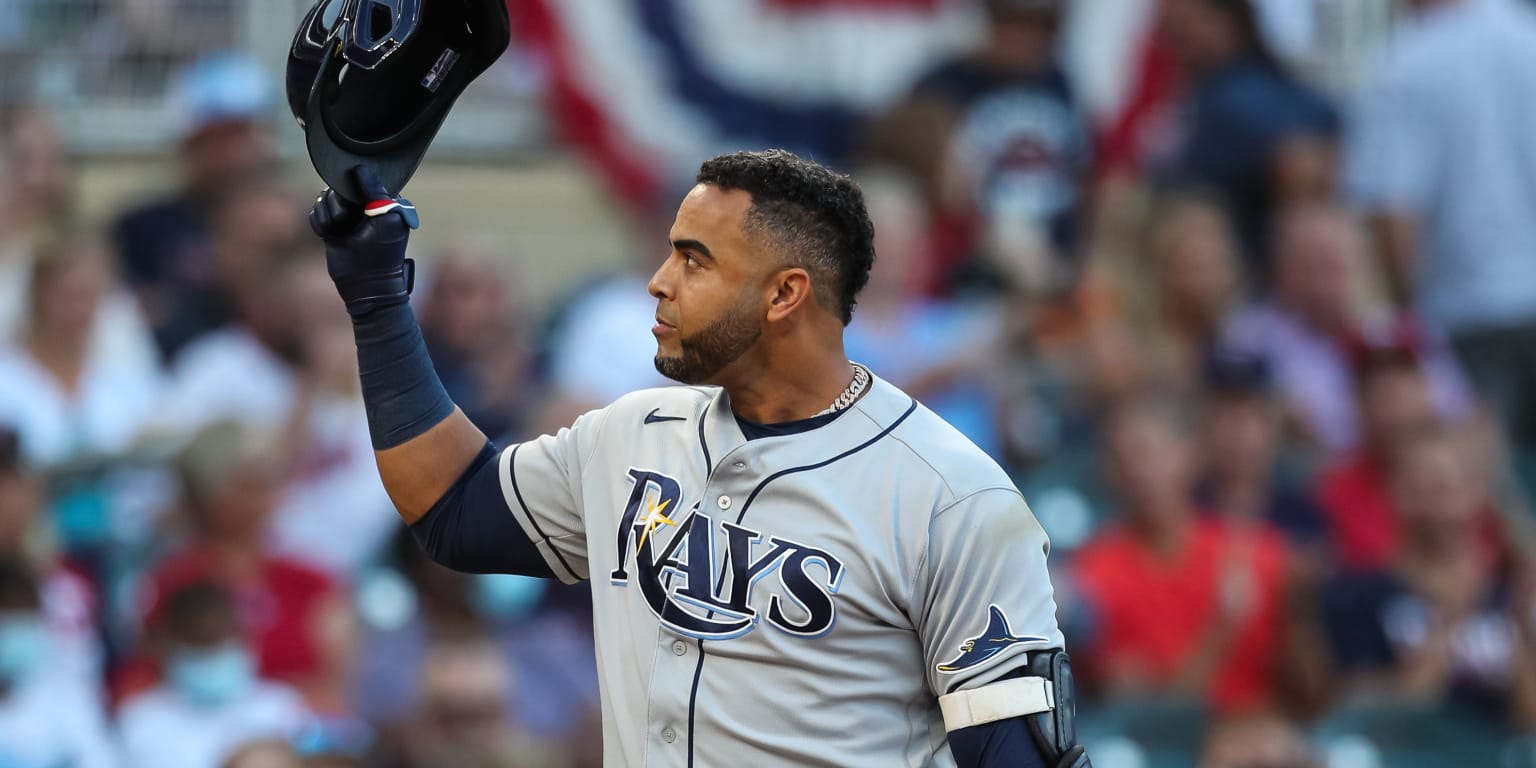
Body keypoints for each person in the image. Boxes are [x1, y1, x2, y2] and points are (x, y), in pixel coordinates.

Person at [308, 151, 1086, 766]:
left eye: (694, 260)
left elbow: (1016, 753)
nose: (658, 281)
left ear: (784, 295)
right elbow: (454, 508)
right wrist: (378, 298)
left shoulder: (954, 497)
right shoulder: (632, 431)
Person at [1345, 0, 1536, 457]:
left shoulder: (1408, 64)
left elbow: (1393, 211)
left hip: (1466, 312)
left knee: (1483, 486)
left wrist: (1404, 311)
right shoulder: (1527, 36)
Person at [1072, 399, 1290, 714]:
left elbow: (1304, 694)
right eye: (1120, 459)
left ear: (1188, 456)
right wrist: (1223, 627)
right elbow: (1155, 711)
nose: (1137, 471)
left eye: (1146, 453)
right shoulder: (1094, 571)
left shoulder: (1256, 554)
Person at [1323, 426, 1536, 730]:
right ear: (1394, 494)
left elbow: (1529, 723)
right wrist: (1451, 619)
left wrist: (1524, 632)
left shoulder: (1510, 590)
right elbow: (1374, 719)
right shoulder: (1357, 592)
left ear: (1478, 492)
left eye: (1447, 488)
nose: (1438, 507)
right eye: (1423, 490)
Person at [1224, 204, 1471, 457]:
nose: (1320, 283)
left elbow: (1454, 417)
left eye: (1332, 265)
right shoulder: (1251, 334)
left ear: (1363, 265)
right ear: (1281, 269)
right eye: (1306, 267)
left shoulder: (1405, 332)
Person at [1158, 0, 1339, 277]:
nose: (1179, 42)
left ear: (1231, 24)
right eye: (1174, 32)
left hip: (1245, 276)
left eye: (1188, 28)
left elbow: (1301, 159)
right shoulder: (1210, 91)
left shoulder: (1233, 98)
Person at [119, 582, 310, 768]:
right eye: (198, 646)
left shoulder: (284, 709)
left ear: (243, 638)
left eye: (218, 642)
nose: (210, 656)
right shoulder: (140, 721)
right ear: (169, 647)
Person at [0, 556, 119, 768]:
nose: (19, 633)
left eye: (26, 619)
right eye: (9, 619)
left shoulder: (67, 694)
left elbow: (99, 759)